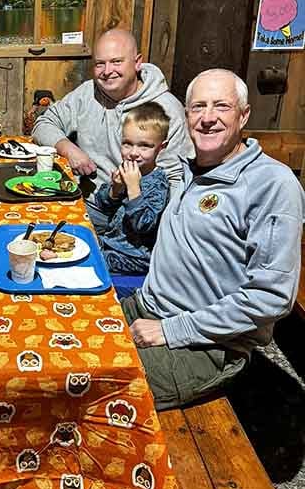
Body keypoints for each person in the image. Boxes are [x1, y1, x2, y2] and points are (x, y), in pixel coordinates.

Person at [122, 69, 305, 410]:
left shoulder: (272, 185)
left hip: (204, 345)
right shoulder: (187, 169)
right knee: (62, 337)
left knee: (89, 382)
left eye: (221, 106)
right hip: (145, 306)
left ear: (244, 115)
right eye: (198, 107)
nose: (207, 118)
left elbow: (273, 297)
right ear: (186, 115)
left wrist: (172, 330)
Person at [32, 29, 193, 229]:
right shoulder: (87, 93)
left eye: (117, 61)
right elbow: (43, 124)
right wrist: (68, 149)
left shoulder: (167, 110)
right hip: (85, 203)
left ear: (137, 62)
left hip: (134, 222)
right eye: (100, 63)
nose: (107, 71)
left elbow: (176, 182)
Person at [92, 102, 170, 273]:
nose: (134, 152)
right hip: (111, 242)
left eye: (144, 146)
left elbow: (144, 224)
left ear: (161, 148)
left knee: (89, 262)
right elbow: (103, 205)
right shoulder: (127, 168)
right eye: (127, 143)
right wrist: (115, 189)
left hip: (135, 257)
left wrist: (134, 189)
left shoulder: (159, 183)